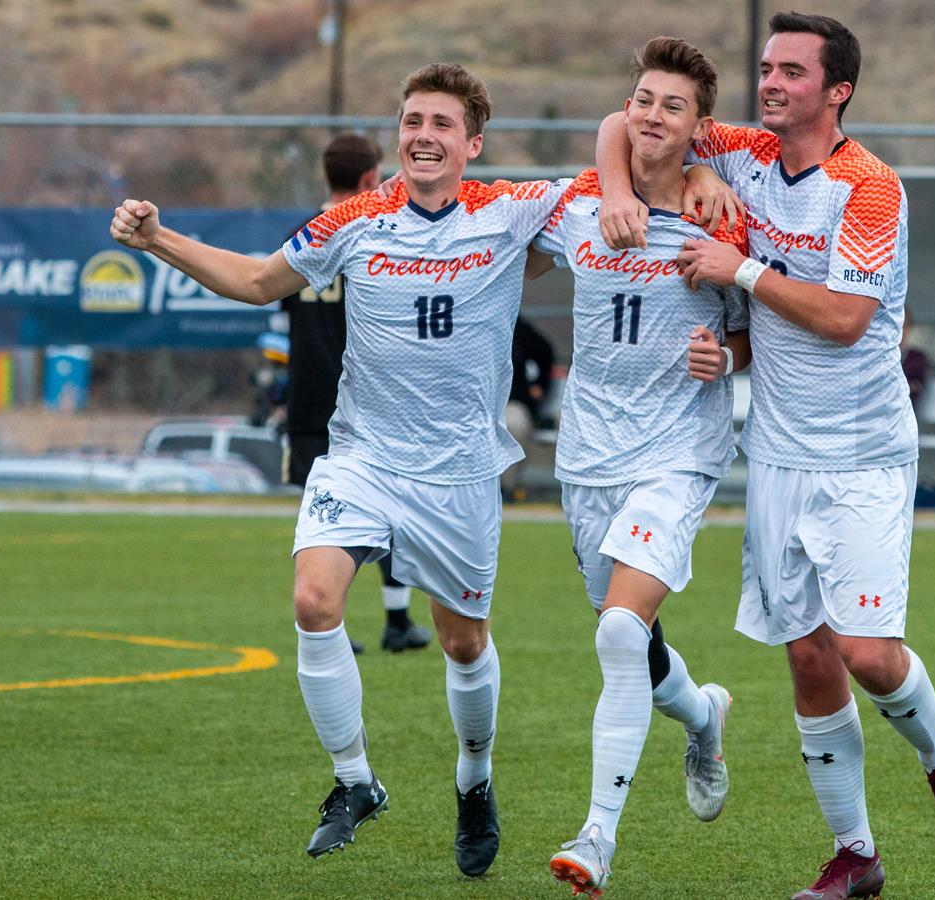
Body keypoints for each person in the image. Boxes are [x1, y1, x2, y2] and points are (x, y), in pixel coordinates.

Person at [109, 63, 568, 877]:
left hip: (459, 474)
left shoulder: (516, 210)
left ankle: (474, 780)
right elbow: (256, 281)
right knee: (314, 601)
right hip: (358, 456)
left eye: (441, 124)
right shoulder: (356, 220)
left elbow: (627, 174)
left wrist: (701, 172)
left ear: (473, 143)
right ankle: (355, 782)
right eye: (412, 120)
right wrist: (157, 240)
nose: (424, 136)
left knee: (464, 645)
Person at [596, 13, 935, 898]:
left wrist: (733, 270)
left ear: (836, 90)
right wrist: (633, 188)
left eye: (791, 73)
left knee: (868, 654)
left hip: (863, 453)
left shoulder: (871, 188)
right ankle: (855, 853)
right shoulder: (740, 151)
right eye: (766, 68)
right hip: (774, 451)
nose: (769, 83)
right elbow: (629, 123)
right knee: (806, 657)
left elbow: (847, 323)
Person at [532, 37, 752, 897]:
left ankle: (597, 837)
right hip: (588, 457)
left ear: (701, 127)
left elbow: (758, 327)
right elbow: (596, 144)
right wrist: (615, 180)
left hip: (677, 454)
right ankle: (703, 717)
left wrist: (724, 357)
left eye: (673, 106)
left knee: (620, 634)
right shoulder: (579, 204)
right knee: (634, 641)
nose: (651, 116)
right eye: (643, 100)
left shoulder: (720, 218)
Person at [279, 133, 431, 654]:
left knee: (322, 513)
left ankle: (329, 622)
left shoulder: (302, 233)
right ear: (371, 178)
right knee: (390, 507)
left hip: (308, 395)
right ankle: (395, 618)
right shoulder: (371, 230)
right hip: (366, 396)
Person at [503, 315, 554, 501]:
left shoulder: (515, 323)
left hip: (510, 402)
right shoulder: (467, 317)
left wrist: (539, 385)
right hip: (475, 403)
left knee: (514, 423)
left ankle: (506, 489)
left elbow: (545, 351)